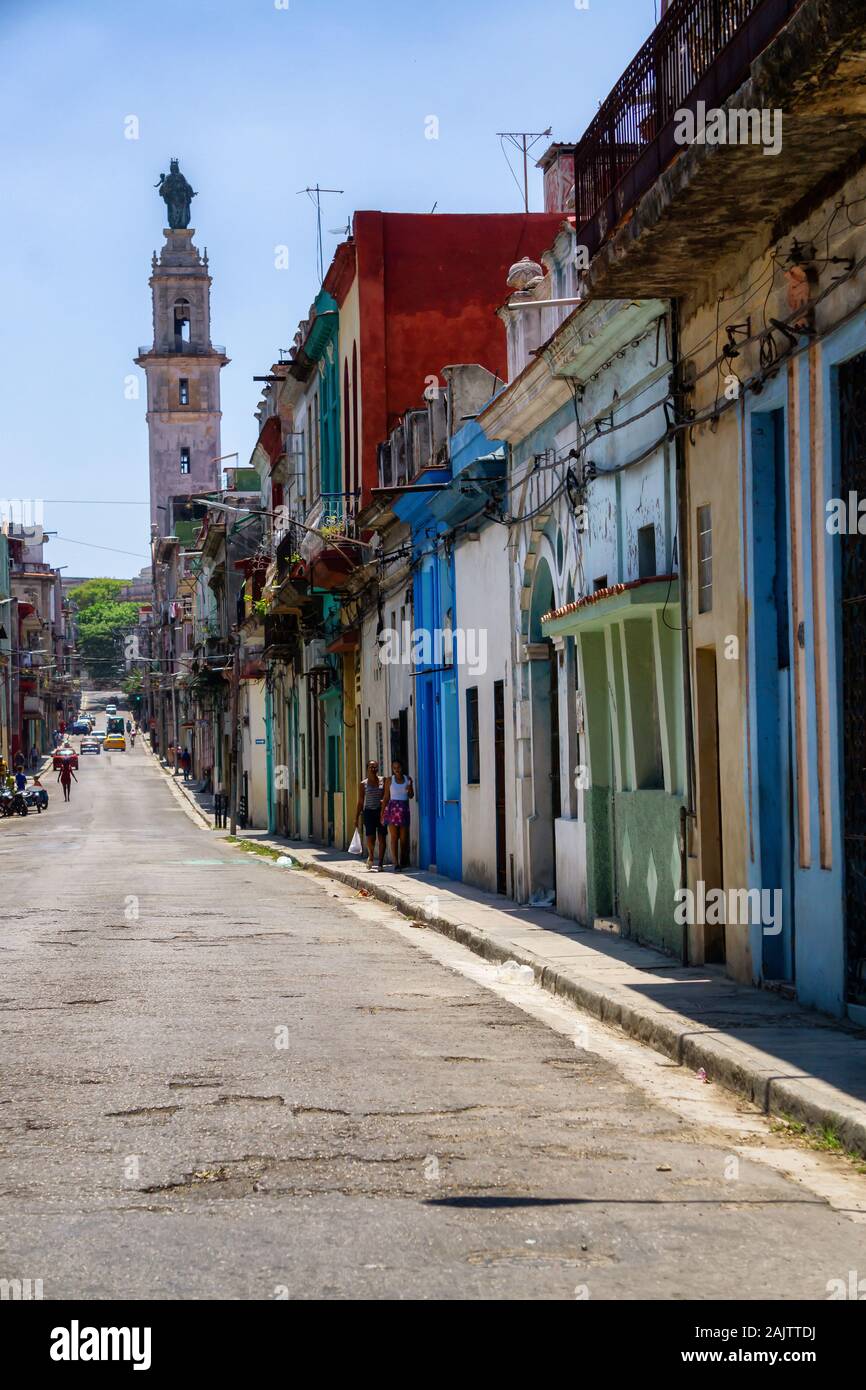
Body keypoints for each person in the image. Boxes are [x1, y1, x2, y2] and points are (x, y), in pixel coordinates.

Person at [381, 758, 414, 871]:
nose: (397, 770)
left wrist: (409, 789)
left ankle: (403, 860)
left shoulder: (408, 779)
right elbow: (386, 797)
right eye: (394, 768)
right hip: (392, 809)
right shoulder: (389, 780)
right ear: (392, 769)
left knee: (404, 838)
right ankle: (396, 863)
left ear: (402, 767)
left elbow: (411, 796)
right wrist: (382, 813)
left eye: (398, 768)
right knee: (394, 837)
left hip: (404, 809)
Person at [355, 760, 386, 871]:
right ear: (367, 769)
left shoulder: (383, 781)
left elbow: (386, 796)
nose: (373, 769)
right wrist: (356, 816)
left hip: (381, 812)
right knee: (370, 838)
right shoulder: (363, 784)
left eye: (375, 767)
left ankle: (381, 863)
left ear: (378, 769)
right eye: (371, 767)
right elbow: (360, 801)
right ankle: (371, 855)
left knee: (382, 837)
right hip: (368, 812)